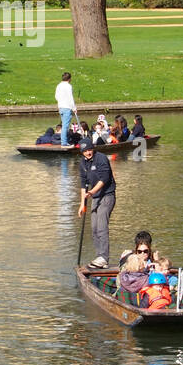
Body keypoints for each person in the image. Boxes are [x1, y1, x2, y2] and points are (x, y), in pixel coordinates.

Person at [79, 137, 117, 268]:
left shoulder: (101, 158)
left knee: (101, 225)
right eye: (85, 151)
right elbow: (83, 184)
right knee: (94, 227)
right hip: (95, 197)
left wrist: (92, 192)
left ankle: (104, 257)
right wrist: (82, 204)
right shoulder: (83, 163)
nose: (88, 153)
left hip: (107, 196)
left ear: (93, 149)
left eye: (89, 150)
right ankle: (99, 257)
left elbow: (104, 179)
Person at [55, 72, 76, 147]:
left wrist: (60, 103)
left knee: (64, 125)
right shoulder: (68, 86)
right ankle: (64, 143)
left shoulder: (59, 85)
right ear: (69, 79)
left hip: (61, 107)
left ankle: (64, 141)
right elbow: (71, 98)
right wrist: (74, 108)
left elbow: (56, 96)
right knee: (65, 126)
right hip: (67, 107)